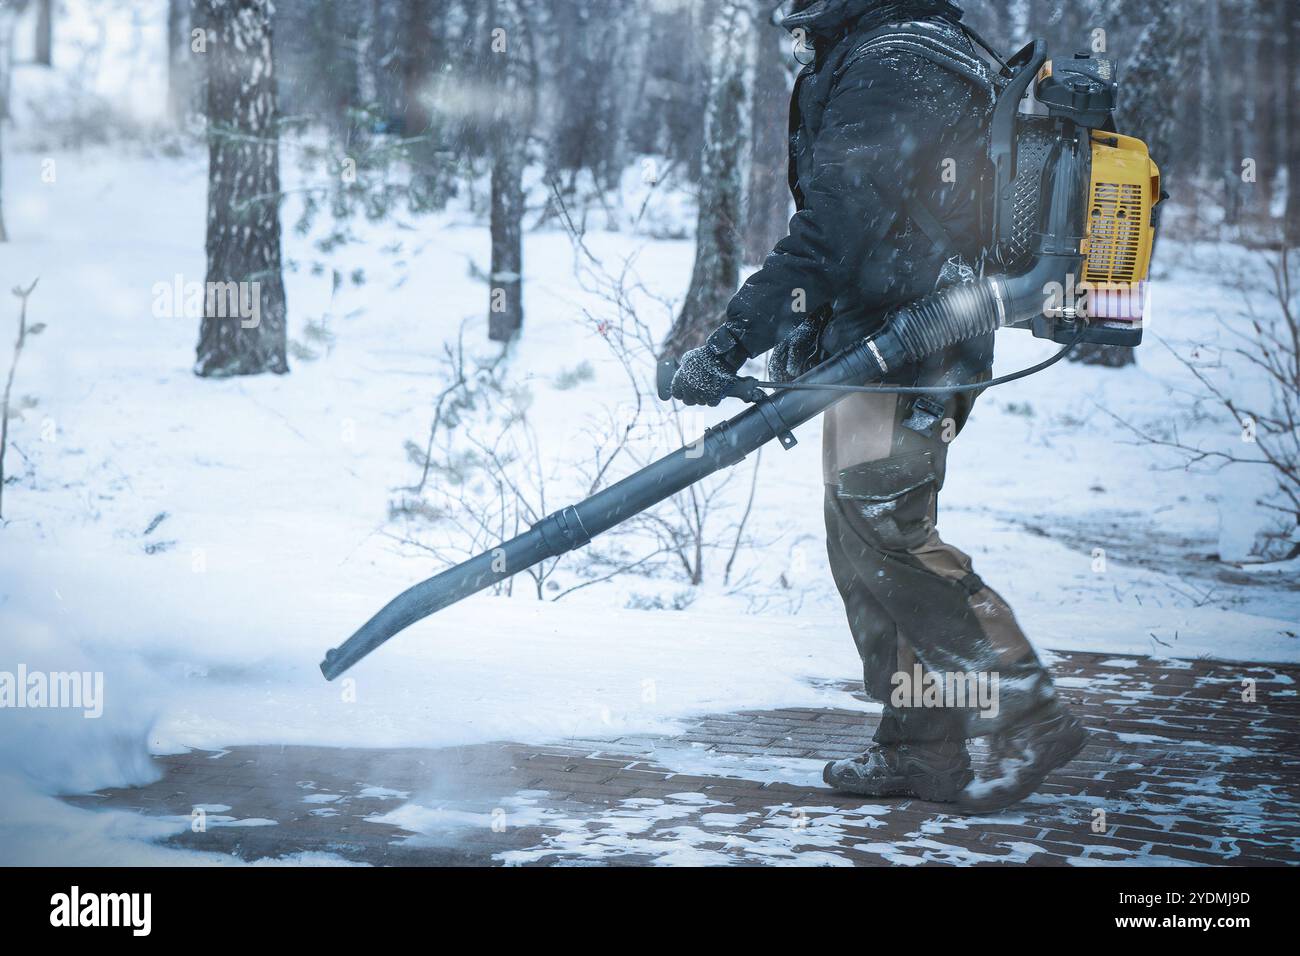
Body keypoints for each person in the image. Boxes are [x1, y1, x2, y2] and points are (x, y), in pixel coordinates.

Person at [669, 0, 1087, 813]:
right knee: (864, 542)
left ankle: (1027, 711)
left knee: (885, 529)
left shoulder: (898, 62)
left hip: (913, 343)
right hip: (881, 340)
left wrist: (732, 340)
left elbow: (833, 230)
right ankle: (924, 752)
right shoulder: (898, 46)